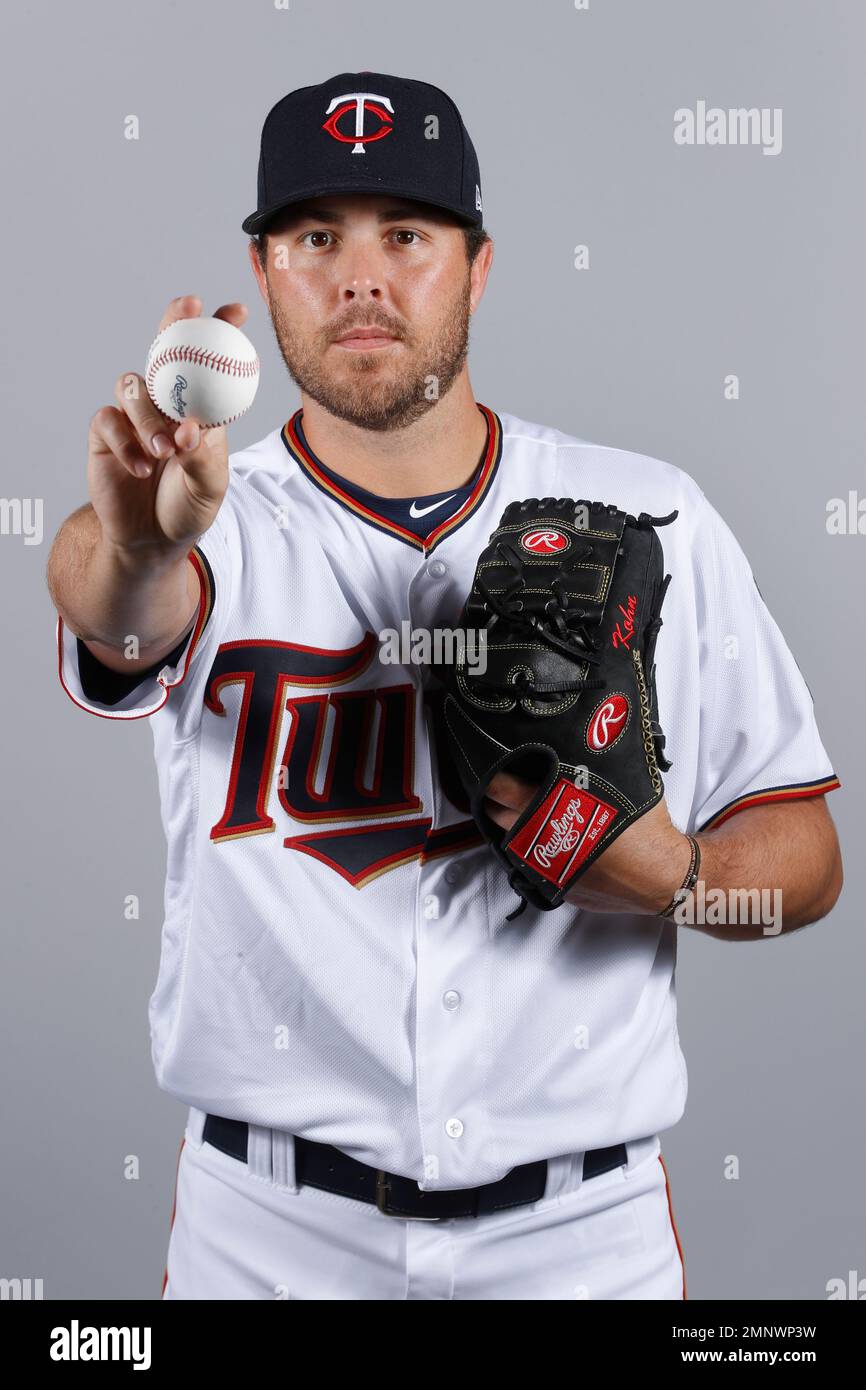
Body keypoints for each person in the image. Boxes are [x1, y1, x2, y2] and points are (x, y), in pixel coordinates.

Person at [47, 71, 842, 1301]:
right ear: (260, 275)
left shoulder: (655, 519)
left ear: (476, 267)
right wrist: (145, 545)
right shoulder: (208, 522)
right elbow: (108, 596)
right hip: (270, 1236)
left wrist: (679, 878)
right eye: (318, 238)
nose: (360, 277)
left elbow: (804, 856)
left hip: (578, 1239)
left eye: (404, 235)